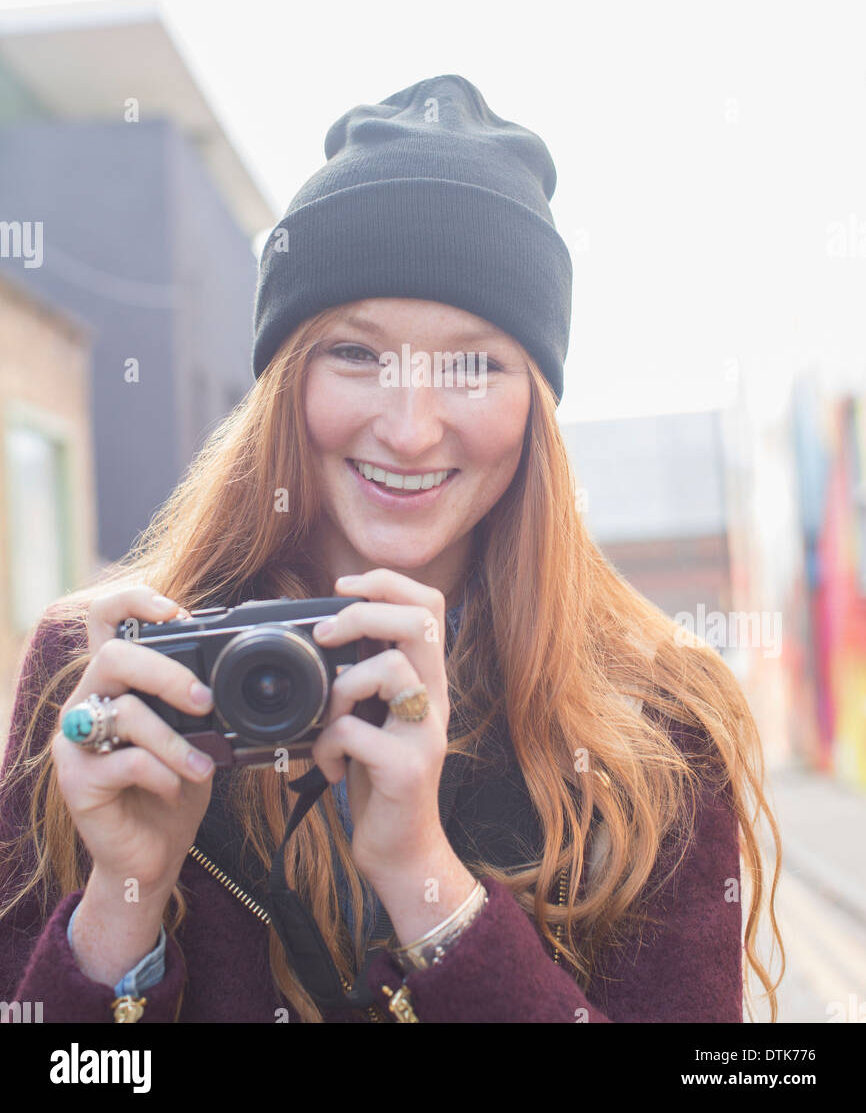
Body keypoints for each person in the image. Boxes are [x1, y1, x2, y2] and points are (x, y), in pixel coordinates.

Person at [0, 74, 783, 1024]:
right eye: (357, 353)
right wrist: (124, 903)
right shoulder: (104, 679)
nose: (411, 431)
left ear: (536, 403)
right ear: (286, 381)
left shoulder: (655, 726)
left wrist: (427, 886)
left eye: (472, 366)